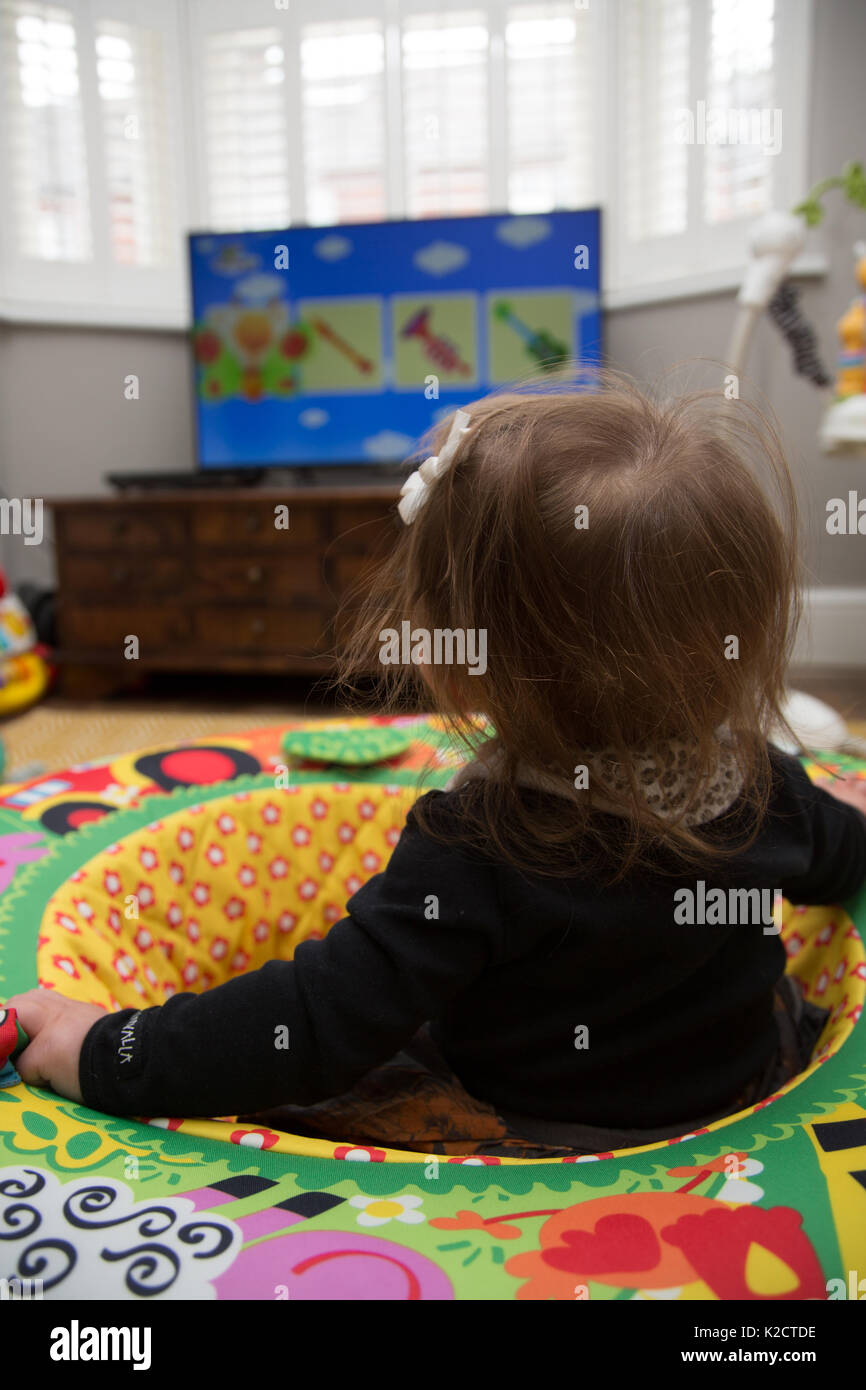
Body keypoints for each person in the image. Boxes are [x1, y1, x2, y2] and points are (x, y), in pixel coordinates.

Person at [10, 374, 866, 1158]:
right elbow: (848, 854)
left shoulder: (476, 850)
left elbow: (315, 1020)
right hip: (748, 1089)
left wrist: (107, 1048)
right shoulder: (767, 785)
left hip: (536, 1132)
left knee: (306, 1098)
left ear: (454, 659)